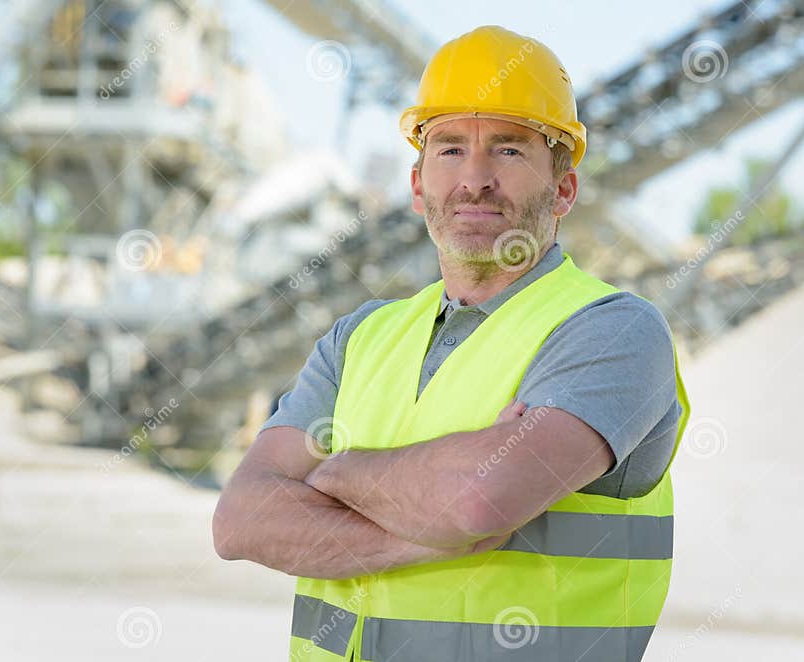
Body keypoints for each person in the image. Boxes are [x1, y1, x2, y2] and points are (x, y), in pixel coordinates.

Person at [214, 24, 691, 662]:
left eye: (510, 149)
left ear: (565, 190)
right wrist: (416, 532)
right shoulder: (361, 337)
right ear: (417, 186)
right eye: (447, 149)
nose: (474, 179)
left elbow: (475, 500)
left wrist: (329, 473)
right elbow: (240, 518)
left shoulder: (613, 331)